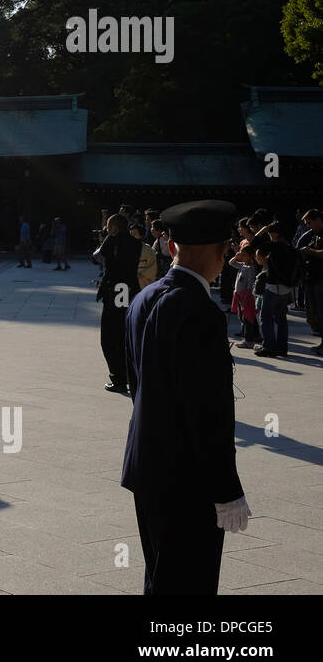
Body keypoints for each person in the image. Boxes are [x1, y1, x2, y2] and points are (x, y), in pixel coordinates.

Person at [122, 199, 250, 595]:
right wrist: (227, 490)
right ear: (221, 250)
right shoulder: (199, 311)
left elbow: (136, 384)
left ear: (173, 247)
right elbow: (207, 412)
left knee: (161, 577)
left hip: (148, 465)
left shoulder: (146, 297)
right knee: (188, 582)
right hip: (187, 478)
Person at [96, 213, 142, 395]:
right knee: (125, 333)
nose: (107, 229)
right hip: (130, 289)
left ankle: (118, 378)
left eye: (109, 226)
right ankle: (131, 375)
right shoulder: (136, 243)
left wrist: (105, 240)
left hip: (116, 290)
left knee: (110, 336)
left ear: (115, 227)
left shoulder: (112, 241)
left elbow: (96, 257)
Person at [254, 221, 298, 359]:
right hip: (287, 287)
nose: (268, 235)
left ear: (275, 233)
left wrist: (261, 231)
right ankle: (281, 348)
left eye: (269, 232)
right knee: (281, 318)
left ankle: (269, 347)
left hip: (274, 286)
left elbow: (254, 244)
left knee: (265, 317)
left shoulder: (277, 246)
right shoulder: (290, 247)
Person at [229, 218, 261, 349]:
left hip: (246, 296)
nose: (241, 257)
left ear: (250, 256)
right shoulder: (242, 265)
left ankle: (249, 339)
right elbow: (231, 263)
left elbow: (250, 283)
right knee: (242, 317)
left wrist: (248, 295)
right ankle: (250, 336)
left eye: (244, 255)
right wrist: (236, 256)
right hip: (239, 295)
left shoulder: (251, 268)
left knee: (248, 318)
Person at [294, 209, 323, 354]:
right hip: (311, 278)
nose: (308, 226)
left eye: (309, 223)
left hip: (320, 279)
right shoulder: (313, 235)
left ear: (318, 219)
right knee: (315, 312)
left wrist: (310, 251)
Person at [132, 222, 158, 287]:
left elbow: (153, 266)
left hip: (143, 281)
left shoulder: (148, 249)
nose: (132, 236)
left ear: (141, 235)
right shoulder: (126, 248)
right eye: (131, 234)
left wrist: (141, 274)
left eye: (134, 234)